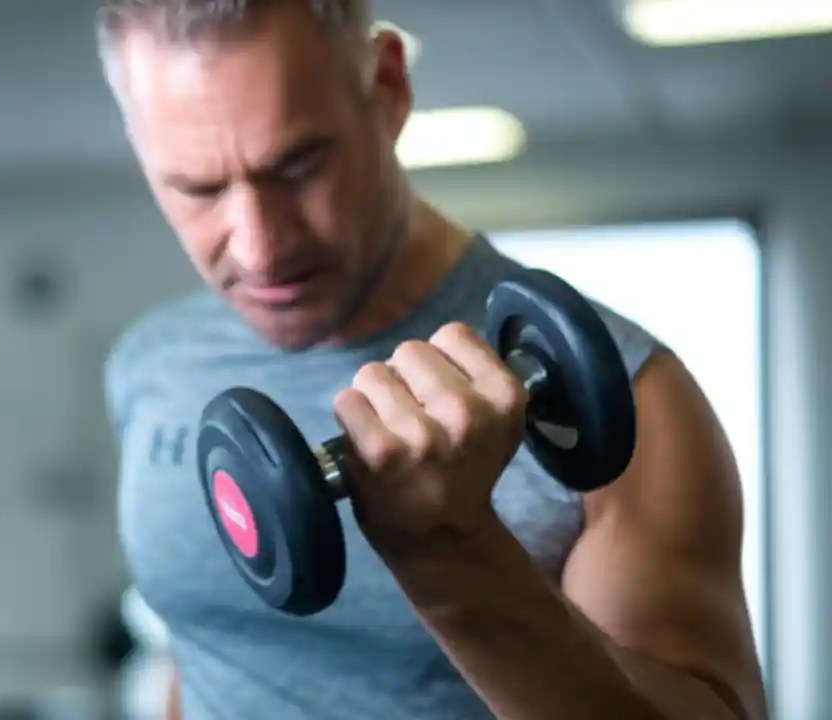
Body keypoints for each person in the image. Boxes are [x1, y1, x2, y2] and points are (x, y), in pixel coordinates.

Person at [96, 1, 769, 718]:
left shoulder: (632, 398)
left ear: (387, 88)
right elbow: (208, 656)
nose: (260, 247)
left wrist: (453, 553)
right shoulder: (152, 365)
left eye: (299, 165)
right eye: (196, 187)